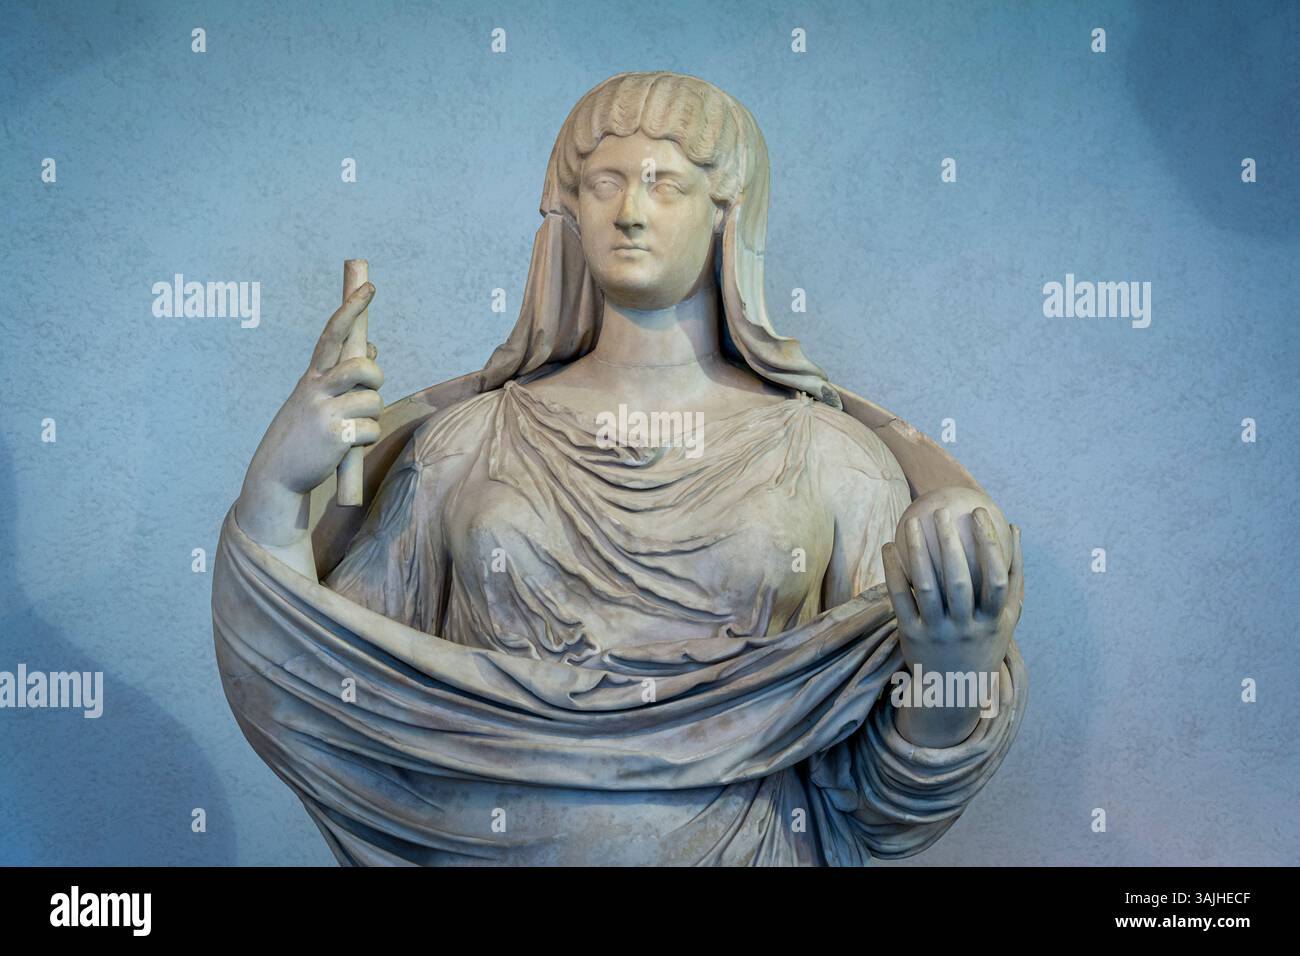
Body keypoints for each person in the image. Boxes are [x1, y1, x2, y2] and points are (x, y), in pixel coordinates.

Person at [215, 72, 1026, 866]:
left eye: (665, 184)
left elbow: (884, 804)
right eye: (604, 182)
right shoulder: (465, 445)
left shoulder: (830, 459)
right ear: (568, 208)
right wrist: (277, 492)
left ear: (725, 214)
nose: (630, 211)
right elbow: (326, 690)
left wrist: (952, 670)